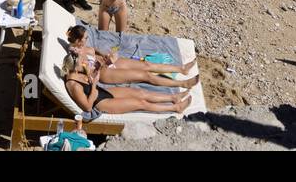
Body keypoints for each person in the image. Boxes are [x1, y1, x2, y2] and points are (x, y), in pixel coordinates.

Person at [62, 53, 191, 117]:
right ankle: (176, 108)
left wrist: (102, 66)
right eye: (82, 62)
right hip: (100, 102)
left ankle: (174, 98)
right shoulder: (74, 86)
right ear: (75, 67)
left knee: (140, 93)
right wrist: (94, 86)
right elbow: (88, 107)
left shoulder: (77, 73)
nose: (85, 63)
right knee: (141, 103)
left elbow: (91, 78)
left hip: (100, 92)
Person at [64, 26, 197, 87]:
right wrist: (105, 63)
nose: (87, 40)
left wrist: (108, 55)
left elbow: (98, 52)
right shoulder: (75, 52)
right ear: (78, 40)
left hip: (108, 62)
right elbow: (89, 73)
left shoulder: (86, 47)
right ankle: (183, 83)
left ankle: (181, 69)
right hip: (104, 72)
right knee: (146, 76)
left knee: (147, 65)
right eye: (85, 38)